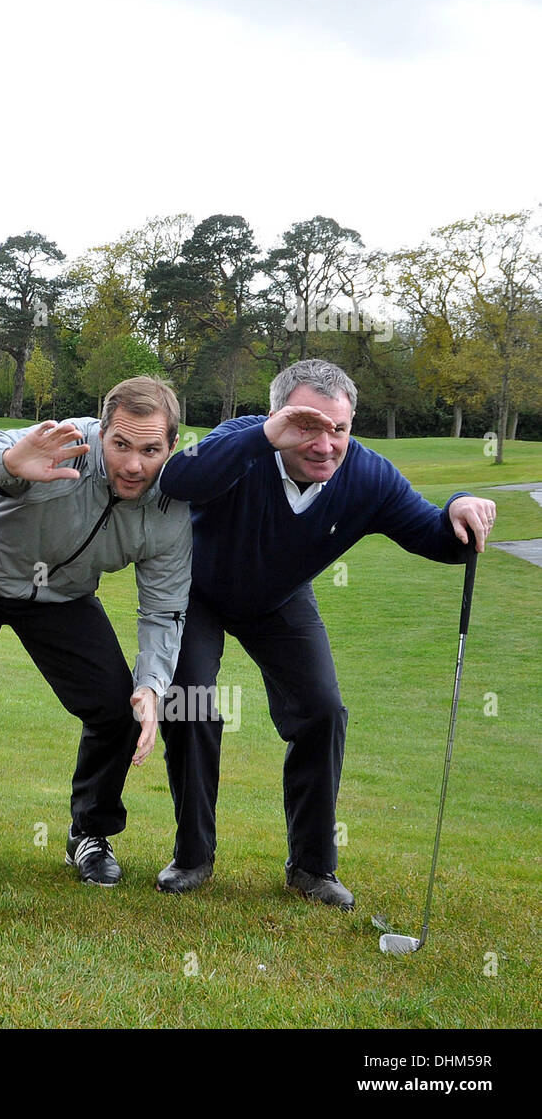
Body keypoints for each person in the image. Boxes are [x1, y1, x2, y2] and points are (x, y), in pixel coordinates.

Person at [155, 359, 497, 907]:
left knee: (323, 710)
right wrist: (264, 437)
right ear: (277, 416)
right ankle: (193, 856)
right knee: (192, 704)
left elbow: (440, 540)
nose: (324, 445)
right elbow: (178, 478)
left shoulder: (367, 476)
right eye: (308, 427)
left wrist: (459, 506)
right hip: (199, 592)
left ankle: (312, 867)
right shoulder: (243, 439)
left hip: (280, 600)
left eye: (338, 429)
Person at [0, 377, 192, 885]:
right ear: (100, 432)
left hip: (61, 598)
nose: (133, 464)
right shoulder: (64, 442)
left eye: (151, 450)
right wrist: (9, 463)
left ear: (173, 445)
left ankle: (89, 833)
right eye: (120, 444)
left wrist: (152, 686)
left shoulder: (171, 508)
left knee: (118, 706)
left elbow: (164, 609)